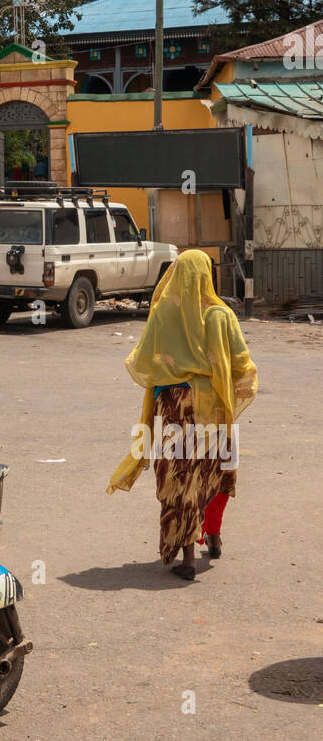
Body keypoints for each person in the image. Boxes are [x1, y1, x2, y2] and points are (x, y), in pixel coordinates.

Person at [107, 249, 257, 581]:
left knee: (178, 477)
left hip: (173, 406)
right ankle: (213, 537)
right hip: (212, 407)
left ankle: (188, 557)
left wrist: (173, 367)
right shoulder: (220, 315)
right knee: (213, 470)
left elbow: (143, 360)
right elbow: (241, 363)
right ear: (207, 276)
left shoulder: (163, 313)